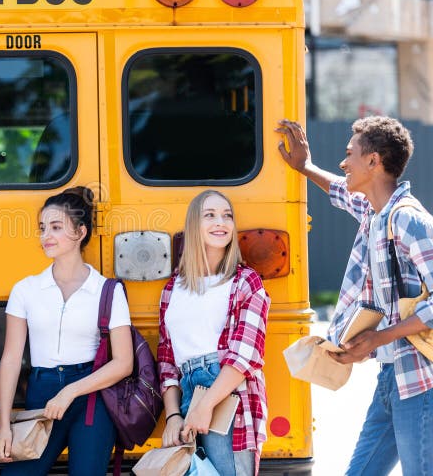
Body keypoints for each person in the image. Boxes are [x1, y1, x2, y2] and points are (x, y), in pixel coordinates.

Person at [276, 117, 433, 475]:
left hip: (420, 380)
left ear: (374, 162)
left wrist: (378, 337)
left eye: (350, 154)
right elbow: (341, 193)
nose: (343, 163)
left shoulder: (409, 221)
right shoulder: (376, 213)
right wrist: (304, 167)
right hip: (390, 378)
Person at [0, 186, 134, 475]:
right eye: (43, 228)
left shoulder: (107, 290)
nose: (46, 236)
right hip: (40, 394)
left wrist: (71, 391)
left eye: (56, 227)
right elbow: (10, 360)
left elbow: (123, 363)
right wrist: (4, 424)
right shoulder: (26, 289)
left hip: (91, 395)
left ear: (80, 233)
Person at [158, 190, 269, 476]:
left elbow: (246, 355)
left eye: (227, 216)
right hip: (186, 395)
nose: (221, 222)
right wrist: (172, 416)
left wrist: (205, 405)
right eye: (210, 215)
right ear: (194, 224)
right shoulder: (173, 289)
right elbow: (167, 362)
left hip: (227, 394)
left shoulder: (246, 281)